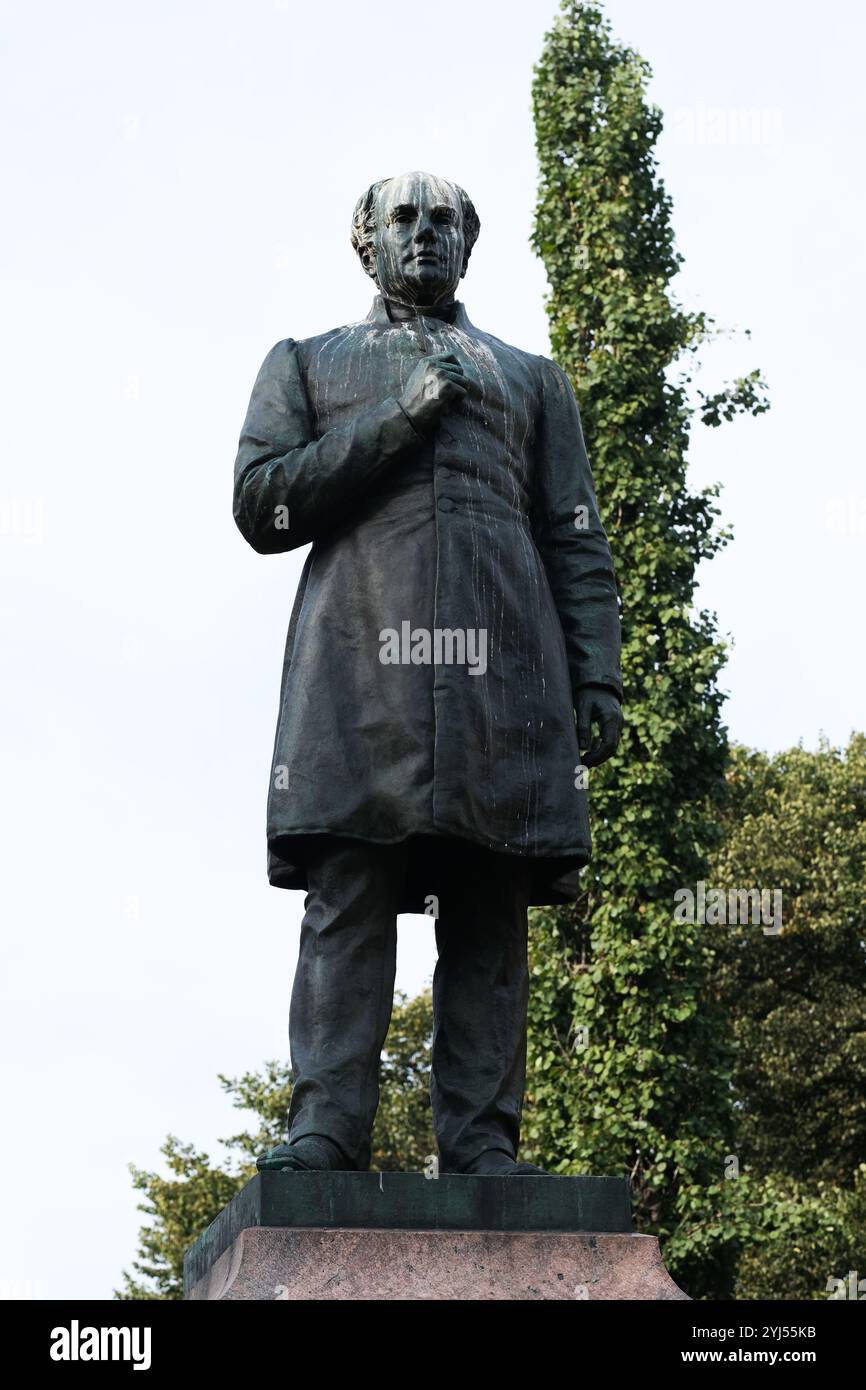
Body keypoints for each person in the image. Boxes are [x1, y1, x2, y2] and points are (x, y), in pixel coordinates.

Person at [233, 171, 622, 1176]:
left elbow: (573, 537)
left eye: (441, 220)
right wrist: (400, 416)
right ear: (364, 241)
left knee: (488, 906)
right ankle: (325, 1128)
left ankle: (483, 1143)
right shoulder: (309, 363)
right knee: (348, 897)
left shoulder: (530, 379)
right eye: (400, 219)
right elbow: (261, 506)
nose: (422, 235)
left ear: (467, 242)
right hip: (358, 682)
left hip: (507, 684)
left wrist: (596, 677)